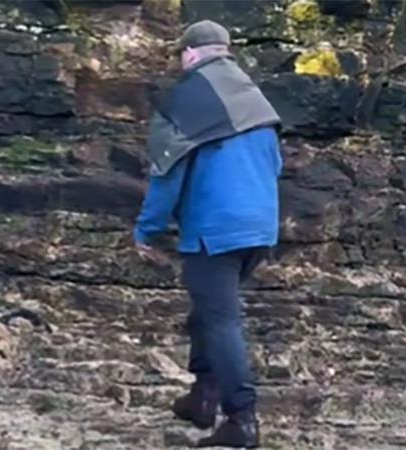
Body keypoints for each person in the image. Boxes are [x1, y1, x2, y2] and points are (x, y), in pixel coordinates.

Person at [133, 20, 283, 448]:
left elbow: (167, 173)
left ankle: (241, 419)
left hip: (215, 231)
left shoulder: (183, 100)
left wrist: (147, 229)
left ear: (191, 53)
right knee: (207, 312)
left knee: (220, 321)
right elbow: (275, 165)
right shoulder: (257, 101)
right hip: (260, 230)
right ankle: (203, 396)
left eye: (181, 54)